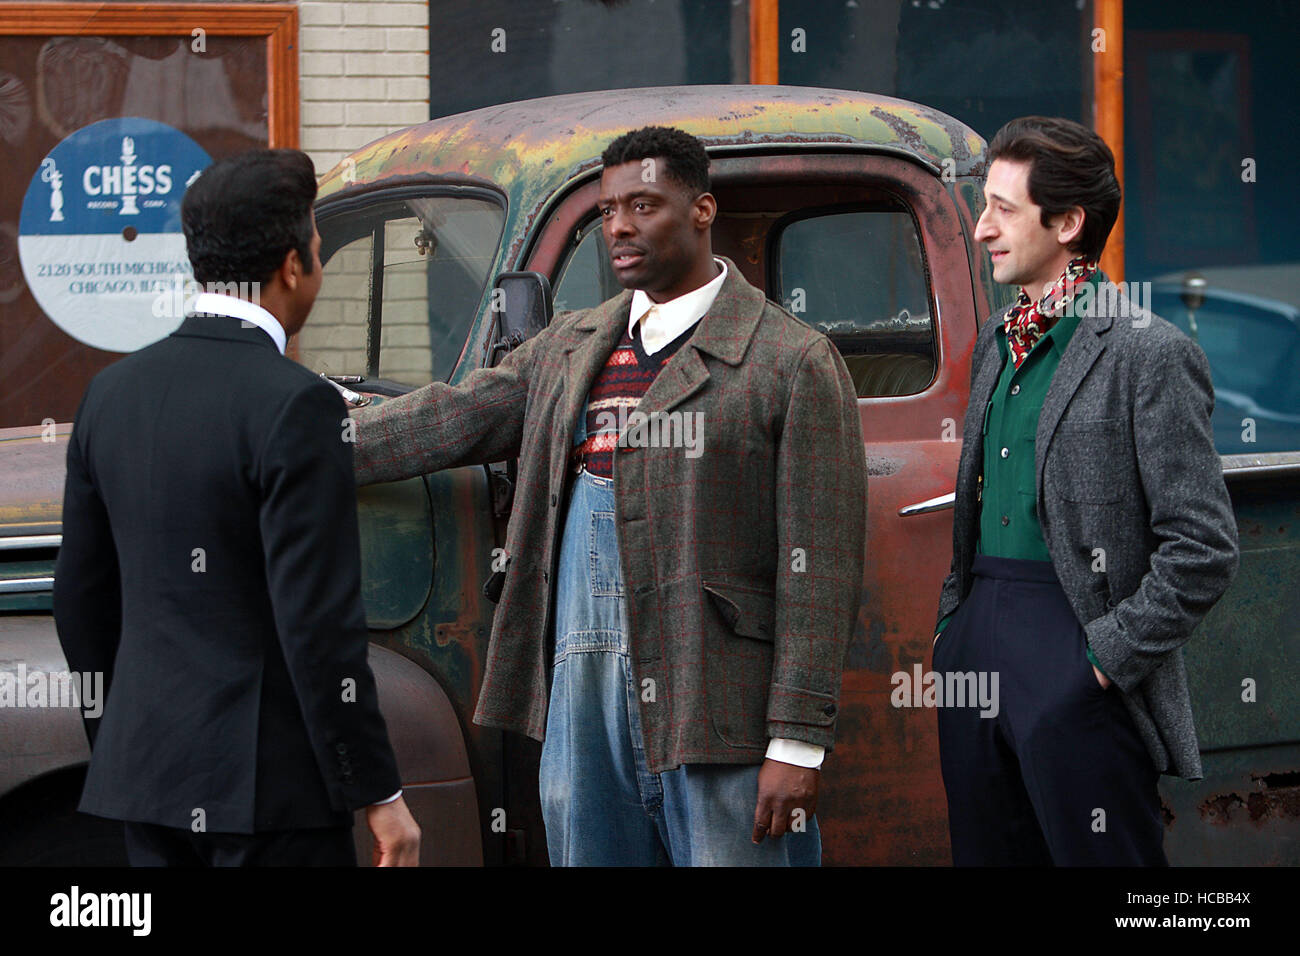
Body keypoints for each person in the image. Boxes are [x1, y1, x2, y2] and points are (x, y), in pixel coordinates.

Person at [351, 126, 866, 865]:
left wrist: (798, 743)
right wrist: (309, 440)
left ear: (701, 211)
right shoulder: (570, 346)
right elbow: (452, 416)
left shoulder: (789, 360)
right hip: (586, 710)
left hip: (719, 712)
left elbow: (820, 571)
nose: (619, 225)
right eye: (609, 208)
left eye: (644, 205)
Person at [54, 149, 420, 867]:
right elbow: (318, 628)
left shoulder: (110, 393)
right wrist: (379, 795)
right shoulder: (298, 404)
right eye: (318, 246)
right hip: (271, 798)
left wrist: (127, 737)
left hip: (146, 779)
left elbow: (81, 599)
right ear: (292, 266)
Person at [932, 116, 1239, 865]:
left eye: (1004, 209)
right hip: (977, 648)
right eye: (985, 207)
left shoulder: (1149, 352)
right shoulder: (1000, 341)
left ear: (1068, 222)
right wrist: (953, 631)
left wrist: (1100, 660)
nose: (981, 230)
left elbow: (1203, 545)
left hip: (1075, 650)